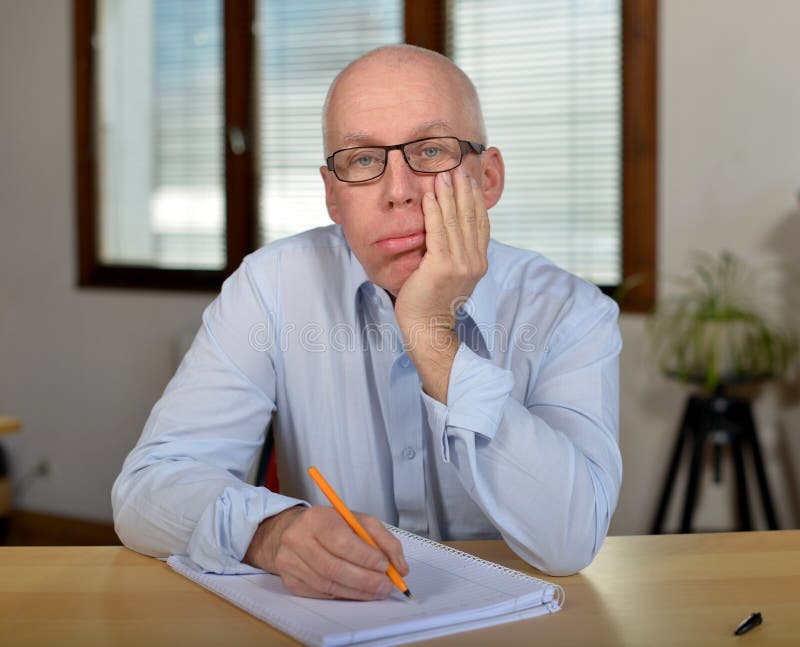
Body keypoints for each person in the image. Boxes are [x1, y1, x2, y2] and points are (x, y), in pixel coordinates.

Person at [112, 44, 622, 601]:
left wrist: (433, 336)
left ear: (489, 178)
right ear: (333, 196)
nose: (398, 189)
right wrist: (270, 532)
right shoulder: (270, 286)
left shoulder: (571, 311)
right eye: (361, 159)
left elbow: (570, 540)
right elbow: (147, 490)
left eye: (430, 150)